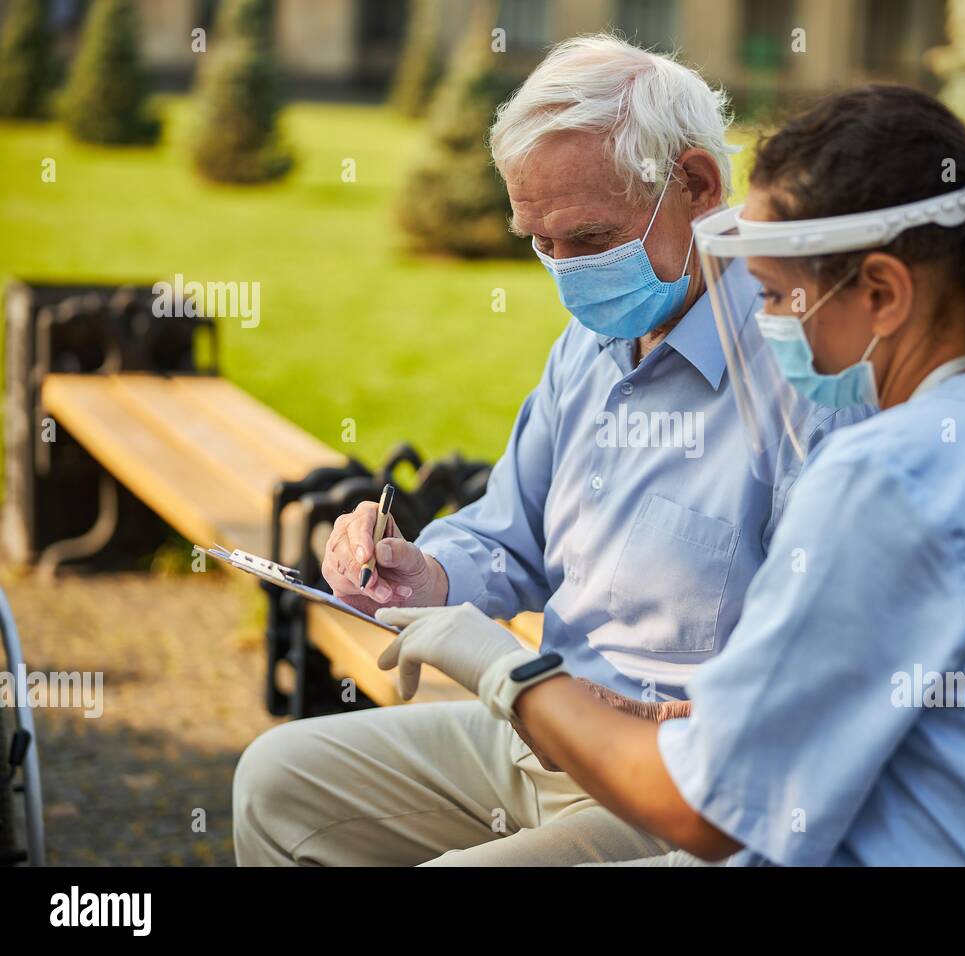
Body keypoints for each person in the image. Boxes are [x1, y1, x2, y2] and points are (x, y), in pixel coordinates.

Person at [373, 84, 965, 866]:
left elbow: (710, 808)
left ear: (881, 293)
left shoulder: (884, 479)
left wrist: (510, 671)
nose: (763, 326)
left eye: (772, 294)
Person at [233, 36, 857, 867]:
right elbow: (509, 532)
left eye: (589, 238)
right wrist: (421, 571)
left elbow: (820, 671)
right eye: (540, 243)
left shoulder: (800, 369)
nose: (566, 275)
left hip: (685, 781)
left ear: (700, 186)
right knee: (276, 780)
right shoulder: (595, 340)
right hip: (539, 731)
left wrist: (618, 714)